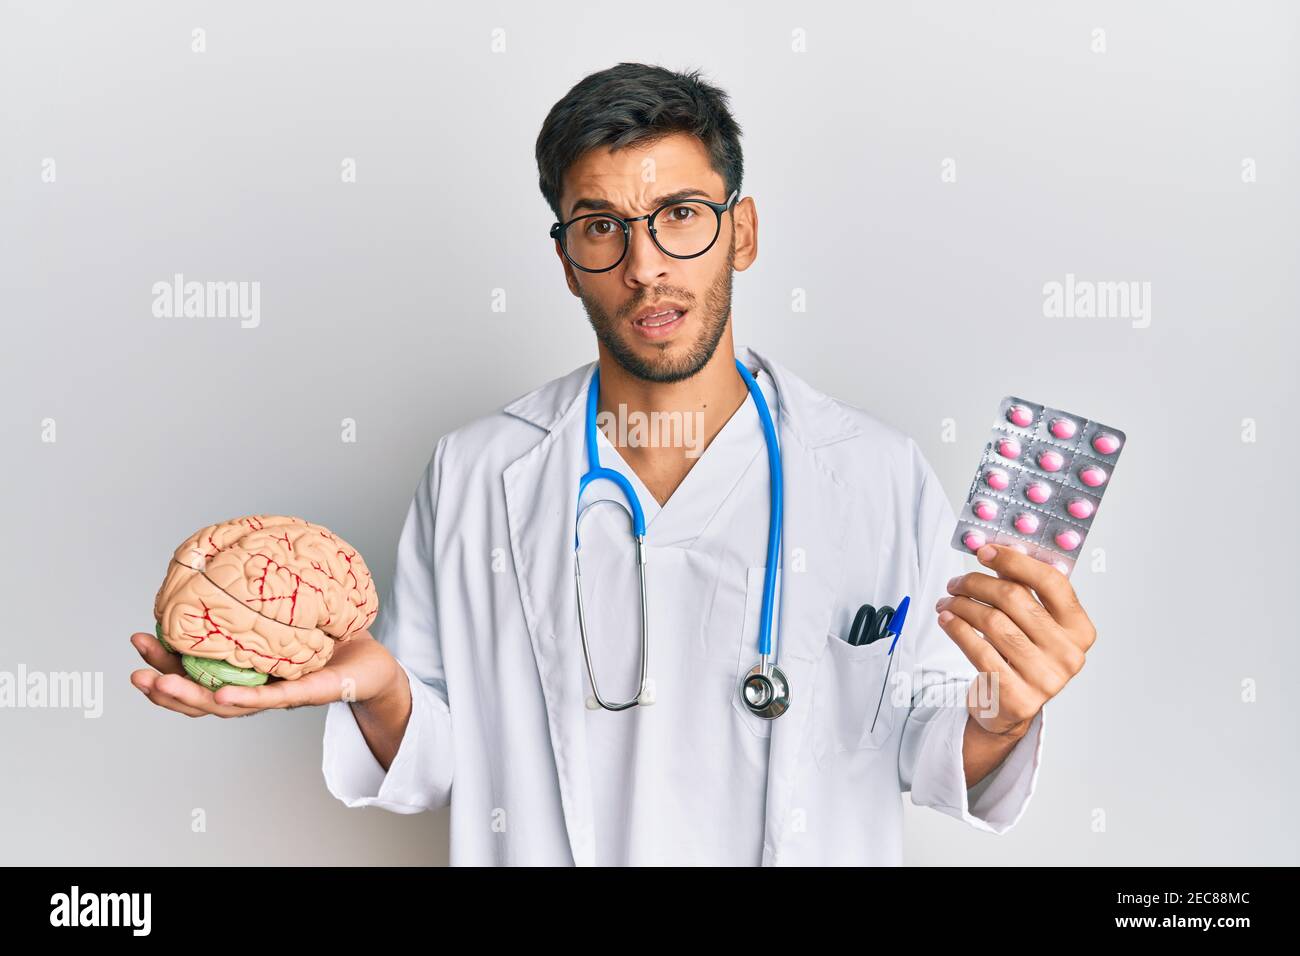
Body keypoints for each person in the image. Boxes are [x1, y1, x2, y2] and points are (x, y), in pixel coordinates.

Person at [131, 62, 1097, 866]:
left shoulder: (876, 474)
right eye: (602, 227)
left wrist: (1002, 714)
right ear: (565, 257)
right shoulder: (475, 474)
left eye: (680, 214)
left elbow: (932, 751)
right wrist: (380, 688)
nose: (645, 267)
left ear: (742, 232)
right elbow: (434, 762)